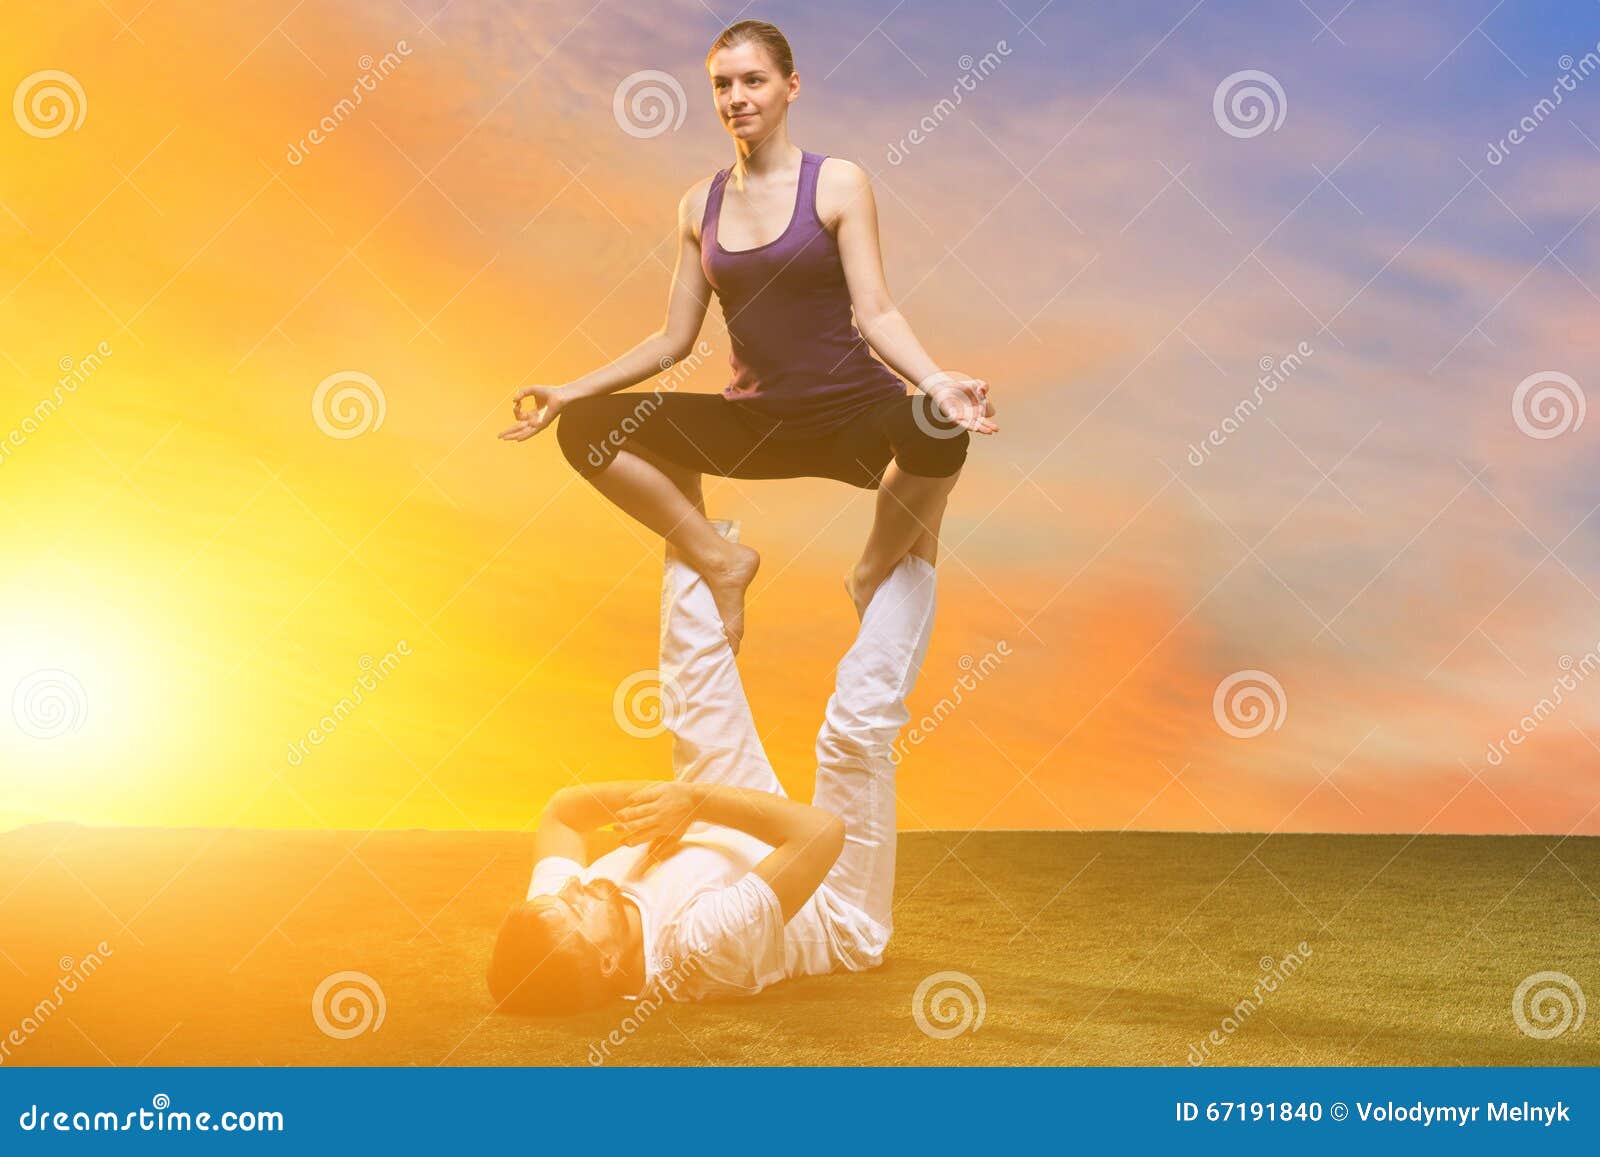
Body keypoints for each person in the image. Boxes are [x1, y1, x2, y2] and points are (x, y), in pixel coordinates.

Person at [497, 18, 995, 653]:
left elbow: (877, 312)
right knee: (587, 430)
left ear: (791, 87)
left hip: (855, 423)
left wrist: (938, 383)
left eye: (753, 81)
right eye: (722, 84)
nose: (737, 98)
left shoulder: (839, 182)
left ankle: (868, 576)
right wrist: (570, 391)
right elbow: (672, 340)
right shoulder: (696, 206)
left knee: (937, 427)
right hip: (756, 427)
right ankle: (723, 560)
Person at [486, 517, 937, 1012]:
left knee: (687, 692)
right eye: (574, 906)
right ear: (609, 962)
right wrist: (693, 800)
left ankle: (681, 466)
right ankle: (909, 535)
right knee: (854, 733)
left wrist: (670, 801)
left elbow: (562, 812)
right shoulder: (700, 950)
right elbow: (821, 833)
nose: (572, 886)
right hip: (827, 899)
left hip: (720, 830)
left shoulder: (553, 915)